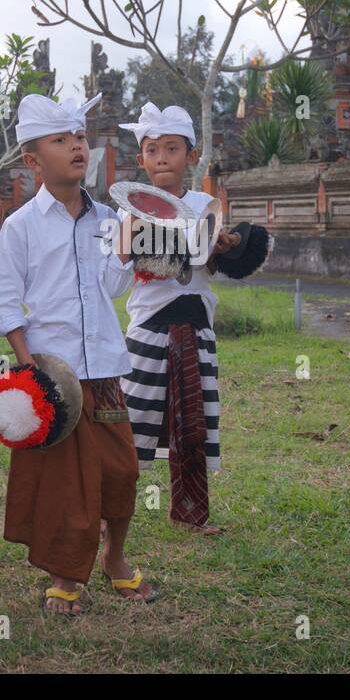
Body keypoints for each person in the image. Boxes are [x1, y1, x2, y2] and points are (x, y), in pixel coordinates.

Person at [0, 92, 157, 615]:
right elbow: (4, 297)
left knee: (122, 468)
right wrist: (24, 358)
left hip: (106, 367)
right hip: (53, 374)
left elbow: (111, 287)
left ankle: (115, 557)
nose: (77, 147)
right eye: (61, 140)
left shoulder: (108, 218)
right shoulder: (21, 225)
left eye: (80, 137)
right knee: (67, 481)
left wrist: (127, 251)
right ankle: (65, 576)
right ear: (34, 161)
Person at [116, 103, 239, 536]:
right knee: (132, 421)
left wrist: (224, 245)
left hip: (196, 325)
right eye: (153, 150)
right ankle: (112, 510)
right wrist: (134, 234)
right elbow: (123, 261)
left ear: (192, 154)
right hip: (148, 325)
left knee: (194, 420)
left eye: (172, 148)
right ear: (142, 160)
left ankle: (193, 512)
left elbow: (210, 258)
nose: (163, 157)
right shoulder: (128, 207)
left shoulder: (205, 204)